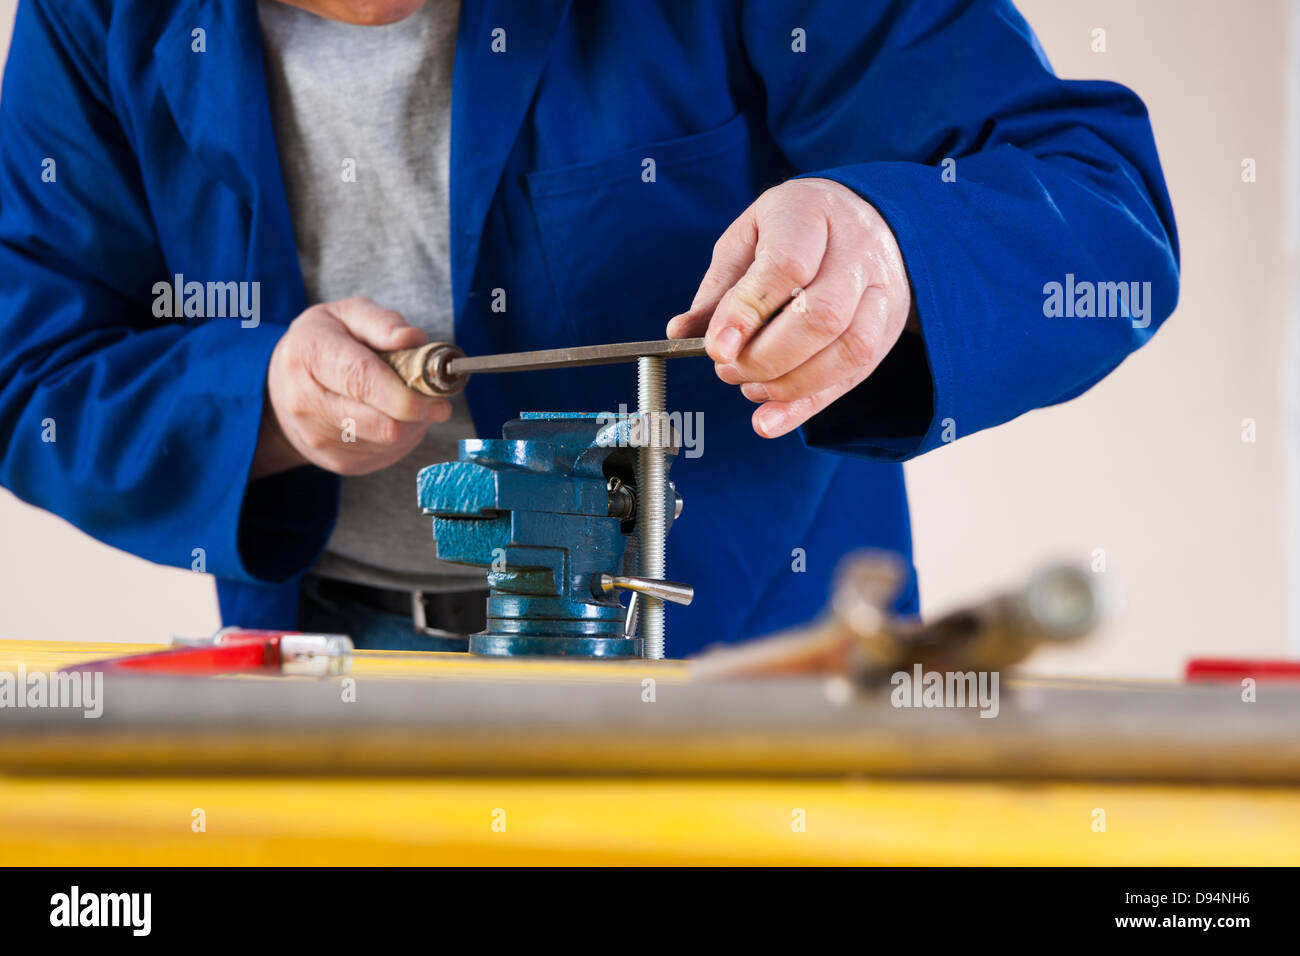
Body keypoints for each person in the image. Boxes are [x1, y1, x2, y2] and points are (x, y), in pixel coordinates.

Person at [0, 0, 1178, 655]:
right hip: (334, 671)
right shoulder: (97, 17)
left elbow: (1100, 204)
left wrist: (888, 245)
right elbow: (30, 367)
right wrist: (259, 407)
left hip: (749, 679)